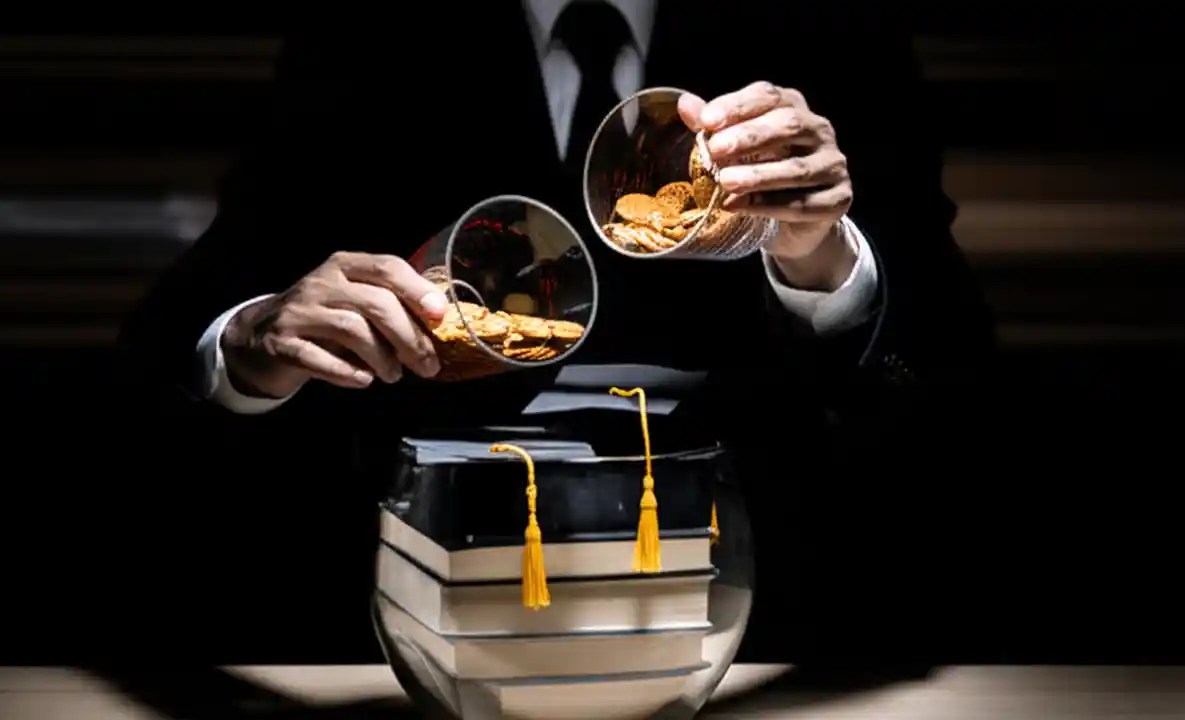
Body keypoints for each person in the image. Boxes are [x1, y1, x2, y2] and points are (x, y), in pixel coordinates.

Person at [118, 3, 995, 662]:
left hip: (769, 604)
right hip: (421, 598)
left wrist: (828, 264)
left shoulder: (827, 24)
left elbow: (951, 355)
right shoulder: (367, 31)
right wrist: (251, 342)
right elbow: (178, 342)